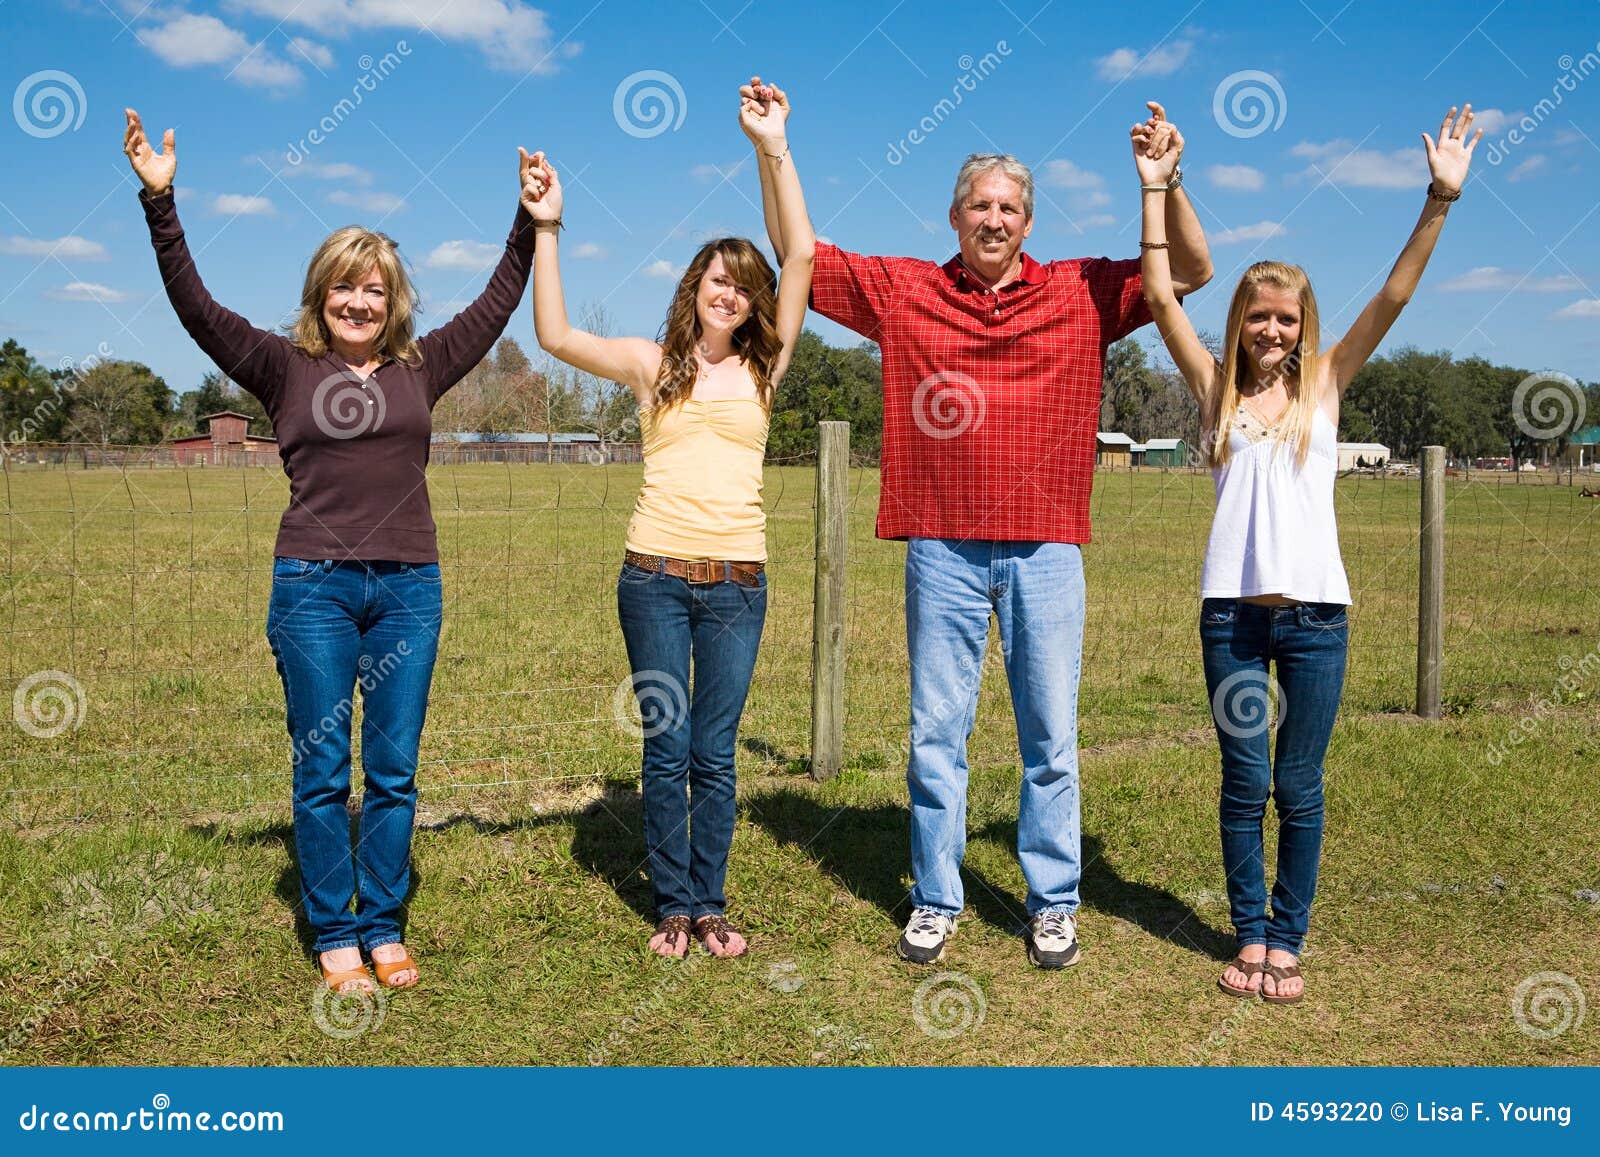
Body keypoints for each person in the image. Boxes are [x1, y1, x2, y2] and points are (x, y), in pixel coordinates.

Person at [769, 100, 1213, 968]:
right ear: (955, 215)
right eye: (981, 205)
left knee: (1051, 739)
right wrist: (775, 148)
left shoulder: (1081, 290)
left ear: (1029, 222)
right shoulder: (907, 291)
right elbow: (801, 255)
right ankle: (937, 898)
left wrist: (1166, 182)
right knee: (937, 735)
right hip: (943, 546)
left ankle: (1053, 903)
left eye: (1010, 207)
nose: (995, 219)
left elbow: (1191, 269)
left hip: (1047, 548)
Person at [124, 108, 543, 993]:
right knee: (321, 767)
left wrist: (528, 219)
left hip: (409, 588)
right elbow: (196, 308)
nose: (359, 303)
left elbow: (497, 300)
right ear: (321, 296)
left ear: (394, 302)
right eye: (344, 288)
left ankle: (383, 922)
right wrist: (161, 203)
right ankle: (334, 929)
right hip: (313, 586)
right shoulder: (283, 367)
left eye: (375, 290)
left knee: (393, 769)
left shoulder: (423, 366)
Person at [1134, 104, 1480, 1002]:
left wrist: (1438, 199)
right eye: (1258, 317)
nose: (1272, 332)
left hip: (1318, 618)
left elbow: (1394, 296)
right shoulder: (1213, 389)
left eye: (1286, 319)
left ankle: (1288, 938)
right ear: (1240, 321)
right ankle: (1249, 932)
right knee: (1244, 780)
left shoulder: (1326, 383)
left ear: (1303, 324)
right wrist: (1157, 188)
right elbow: (1162, 298)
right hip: (1233, 621)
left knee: (1299, 782)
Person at [526, 79, 813, 958]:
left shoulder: (764, 370)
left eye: (745, 287)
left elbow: (802, 253)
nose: (732, 295)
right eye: (720, 280)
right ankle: (673, 907)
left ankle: (711, 901)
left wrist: (772, 145)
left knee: (715, 753)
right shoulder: (652, 365)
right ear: (696, 286)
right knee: (666, 745)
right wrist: (548, 228)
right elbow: (555, 335)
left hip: (738, 584)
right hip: (652, 577)